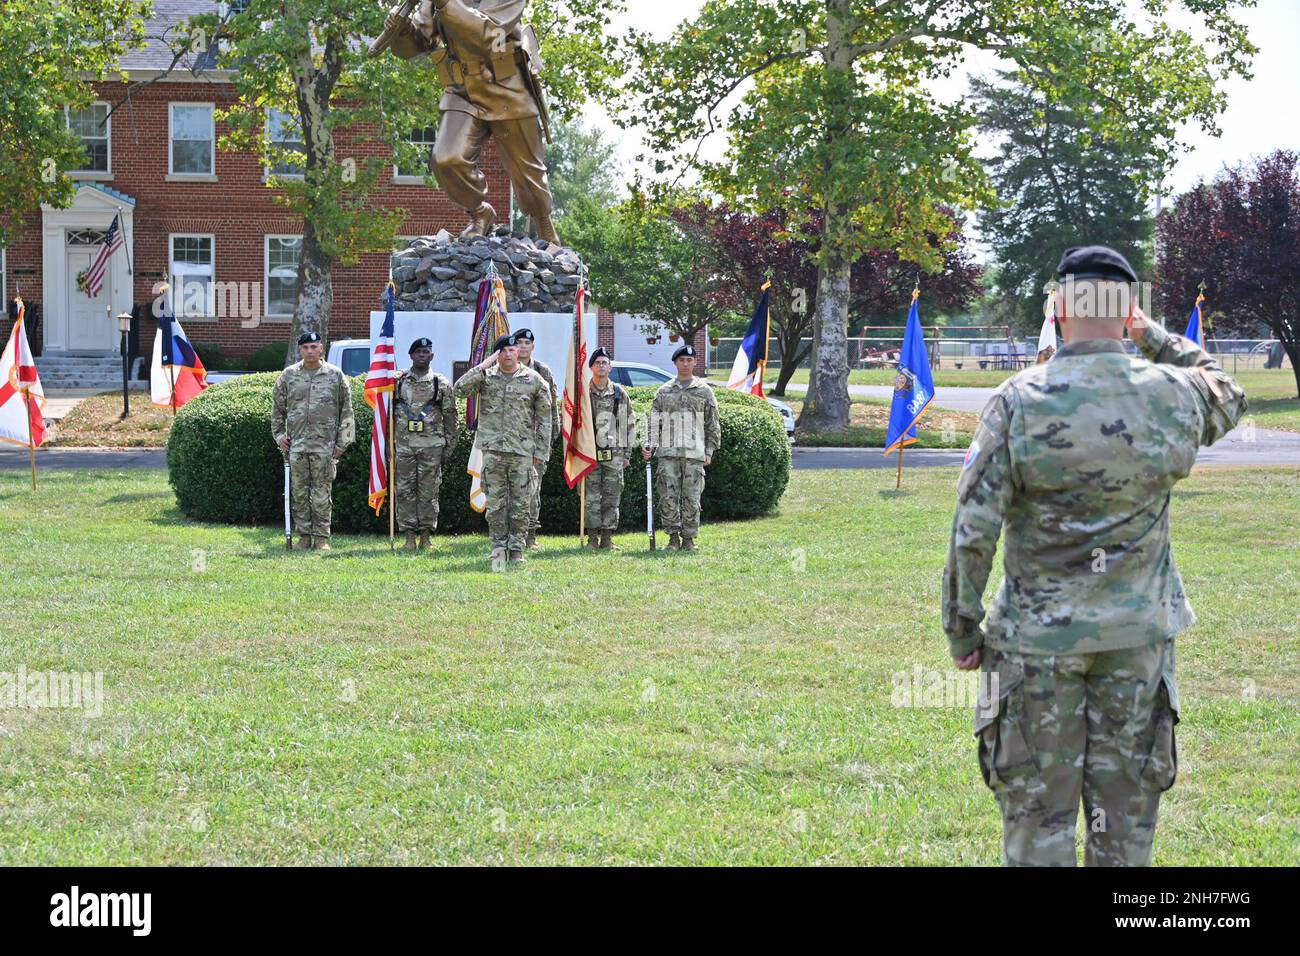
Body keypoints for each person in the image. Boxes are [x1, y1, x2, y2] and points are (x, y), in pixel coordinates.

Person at [942, 245, 1247, 867]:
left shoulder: (1019, 399)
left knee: (1037, 825)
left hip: (1035, 646)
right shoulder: (1174, 392)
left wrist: (962, 628)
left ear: (1057, 305)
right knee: (1126, 829)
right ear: (1130, 309)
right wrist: (1153, 335)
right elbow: (1229, 391)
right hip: (1137, 640)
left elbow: (973, 528)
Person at [387, 0, 560, 244]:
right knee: (447, 159)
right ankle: (480, 213)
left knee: (528, 171)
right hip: (463, 90)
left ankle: (544, 223)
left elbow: (488, 34)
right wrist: (402, 30)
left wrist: (445, 4)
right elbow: (417, 45)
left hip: (507, 86)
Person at [453, 333, 551, 564]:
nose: (508, 354)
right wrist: (484, 365)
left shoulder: (534, 380)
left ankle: (516, 549)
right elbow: (459, 389)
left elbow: (545, 419)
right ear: (497, 354)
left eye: (512, 350)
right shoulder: (486, 377)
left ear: (519, 352)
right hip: (493, 451)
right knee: (496, 504)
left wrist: (540, 452)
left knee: (520, 503)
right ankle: (498, 548)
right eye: (503, 351)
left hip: (522, 452)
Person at [271, 331, 356, 551]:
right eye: (305, 347)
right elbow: (278, 410)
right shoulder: (288, 376)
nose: (310, 351)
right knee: (299, 494)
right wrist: (279, 435)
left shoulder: (335, 375)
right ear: (300, 350)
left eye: (314, 347)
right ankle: (304, 537)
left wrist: (341, 444)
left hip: (325, 447)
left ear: (321, 349)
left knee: (321, 494)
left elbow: (346, 411)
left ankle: (321, 538)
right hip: (297, 446)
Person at [643, 344, 720, 552]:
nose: (685, 364)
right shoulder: (664, 391)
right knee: (668, 498)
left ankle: (689, 539)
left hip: (695, 454)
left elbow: (712, 423)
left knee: (692, 499)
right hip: (668, 454)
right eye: (681, 360)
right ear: (675, 363)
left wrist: (709, 451)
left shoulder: (704, 391)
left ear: (695, 362)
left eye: (689, 360)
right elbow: (653, 422)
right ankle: (673, 539)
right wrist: (648, 444)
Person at [393, 337, 457, 550]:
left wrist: (449, 446)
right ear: (411, 355)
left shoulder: (441, 383)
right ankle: (409, 536)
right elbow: (388, 415)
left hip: (432, 446)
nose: (422, 354)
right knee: (404, 490)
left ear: (432, 355)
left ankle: (426, 536)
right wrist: (387, 445)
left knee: (429, 492)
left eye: (426, 351)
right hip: (404, 446)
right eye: (418, 351)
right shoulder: (398, 382)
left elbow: (450, 417)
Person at [512, 327, 560, 549]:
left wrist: (548, 442)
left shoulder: (542, 371)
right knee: (509, 491)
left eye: (526, 343)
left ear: (533, 346)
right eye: (519, 342)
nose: (522, 346)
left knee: (532, 491)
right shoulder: (505, 368)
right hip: (510, 443)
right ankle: (510, 533)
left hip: (534, 444)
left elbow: (552, 410)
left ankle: (530, 534)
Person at [585, 347, 635, 550]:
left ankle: (607, 537)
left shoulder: (618, 393)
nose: (601, 366)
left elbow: (627, 424)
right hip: (588, 452)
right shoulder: (583, 393)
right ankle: (591, 538)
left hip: (613, 453)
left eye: (605, 362)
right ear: (591, 367)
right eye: (597, 363)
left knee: (612, 495)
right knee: (590, 497)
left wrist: (626, 454)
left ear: (610, 367)